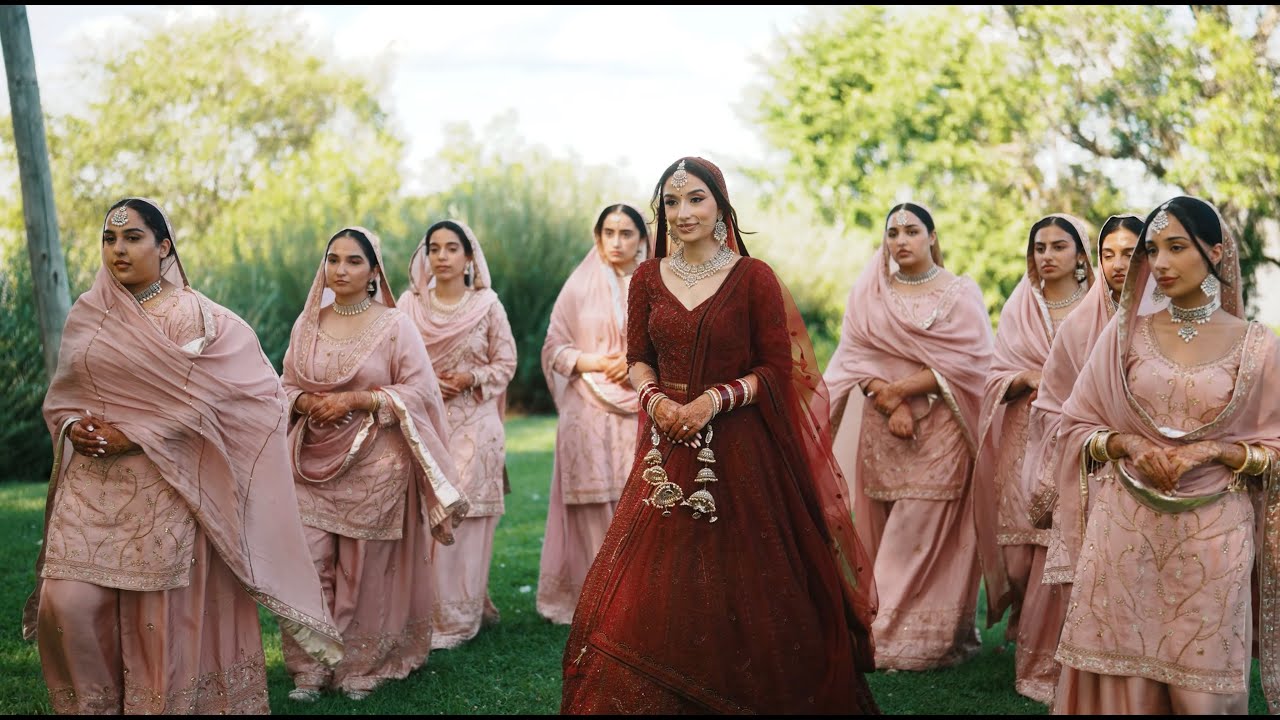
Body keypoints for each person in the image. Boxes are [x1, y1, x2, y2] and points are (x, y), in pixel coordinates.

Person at [560, 157, 878, 714]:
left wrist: (713, 400)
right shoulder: (647, 278)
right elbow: (639, 358)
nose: (682, 213)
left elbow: (778, 368)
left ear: (721, 206)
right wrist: (655, 400)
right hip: (666, 452)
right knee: (652, 581)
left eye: (695, 199)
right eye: (671, 203)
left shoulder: (753, 279)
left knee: (749, 576)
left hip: (740, 452)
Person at [26, 197, 342, 714]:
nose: (119, 250)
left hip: (164, 478)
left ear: (164, 246)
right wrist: (70, 426)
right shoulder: (89, 313)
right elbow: (66, 395)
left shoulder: (196, 316)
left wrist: (139, 434)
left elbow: (246, 396)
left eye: (133, 238)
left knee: (156, 614)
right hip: (89, 485)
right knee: (66, 604)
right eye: (110, 239)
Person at [1052, 196, 1280, 714]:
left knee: (1202, 685)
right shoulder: (1124, 334)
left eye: (1177, 247)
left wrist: (1217, 451)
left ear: (1217, 253)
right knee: (1120, 672)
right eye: (1153, 250)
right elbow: (1075, 424)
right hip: (1124, 529)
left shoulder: (1257, 346)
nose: (1161, 263)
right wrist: (1127, 443)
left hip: (1214, 533)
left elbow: (1276, 445)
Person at [281, 226, 468, 701]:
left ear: (373, 272)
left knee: (364, 570)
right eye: (333, 259)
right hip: (310, 461)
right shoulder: (307, 324)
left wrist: (358, 399)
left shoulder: (394, 325)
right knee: (309, 559)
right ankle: (309, 667)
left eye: (353, 261)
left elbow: (420, 392)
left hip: (376, 463)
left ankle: (359, 665)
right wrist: (303, 402)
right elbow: (281, 387)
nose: (340, 269)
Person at [826, 202, 994, 670]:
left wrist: (903, 389)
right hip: (883, 428)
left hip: (942, 427)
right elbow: (853, 357)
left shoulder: (960, 293)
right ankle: (882, 629)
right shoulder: (870, 291)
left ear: (932, 237)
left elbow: (973, 362)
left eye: (912, 230)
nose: (901, 240)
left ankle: (904, 640)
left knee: (919, 531)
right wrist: (891, 401)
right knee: (883, 530)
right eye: (893, 231)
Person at [1014, 214, 1143, 704]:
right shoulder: (1079, 326)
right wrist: (1095, 437)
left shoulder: (1165, 324)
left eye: (1129, 253)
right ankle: (1081, 679)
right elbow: (1051, 403)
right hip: (1092, 470)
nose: (1117, 264)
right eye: (1109, 254)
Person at [971, 213, 1094, 698]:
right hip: (1023, 435)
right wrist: (1024, 380)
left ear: (1081, 255)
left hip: (1072, 437)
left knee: (1056, 550)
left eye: (1059, 246)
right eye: (1040, 247)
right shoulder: (1021, 304)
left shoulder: (1097, 306)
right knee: (1020, 556)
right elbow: (994, 373)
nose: (1047, 256)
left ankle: (1050, 663)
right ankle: (1027, 622)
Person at [400, 219, 517, 648]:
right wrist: (429, 380)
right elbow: (394, 363)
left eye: (453, 249)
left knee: (464, 517)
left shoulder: (487, 304)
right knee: (426, 515)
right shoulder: (409, 307)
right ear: (426, 256)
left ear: (469, 257)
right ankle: (424, 614)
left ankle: (457, 619)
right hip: (425, 424)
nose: (443, 257)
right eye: (435, 248)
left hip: (475, 421)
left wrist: (469, 377)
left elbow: (505, 362)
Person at [537, 203, 650, 624]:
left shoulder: (655, 284)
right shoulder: (579, 287)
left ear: (642, 238)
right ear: (597, 237)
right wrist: (597, 363)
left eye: (626, 233)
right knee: (591, 501)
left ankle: (638, 595)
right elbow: (553, 348)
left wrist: (636, 361)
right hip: (586, 407)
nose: (616, 242)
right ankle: (595, 595)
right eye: (608, 233)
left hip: (641, 405)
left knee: (638, 500)